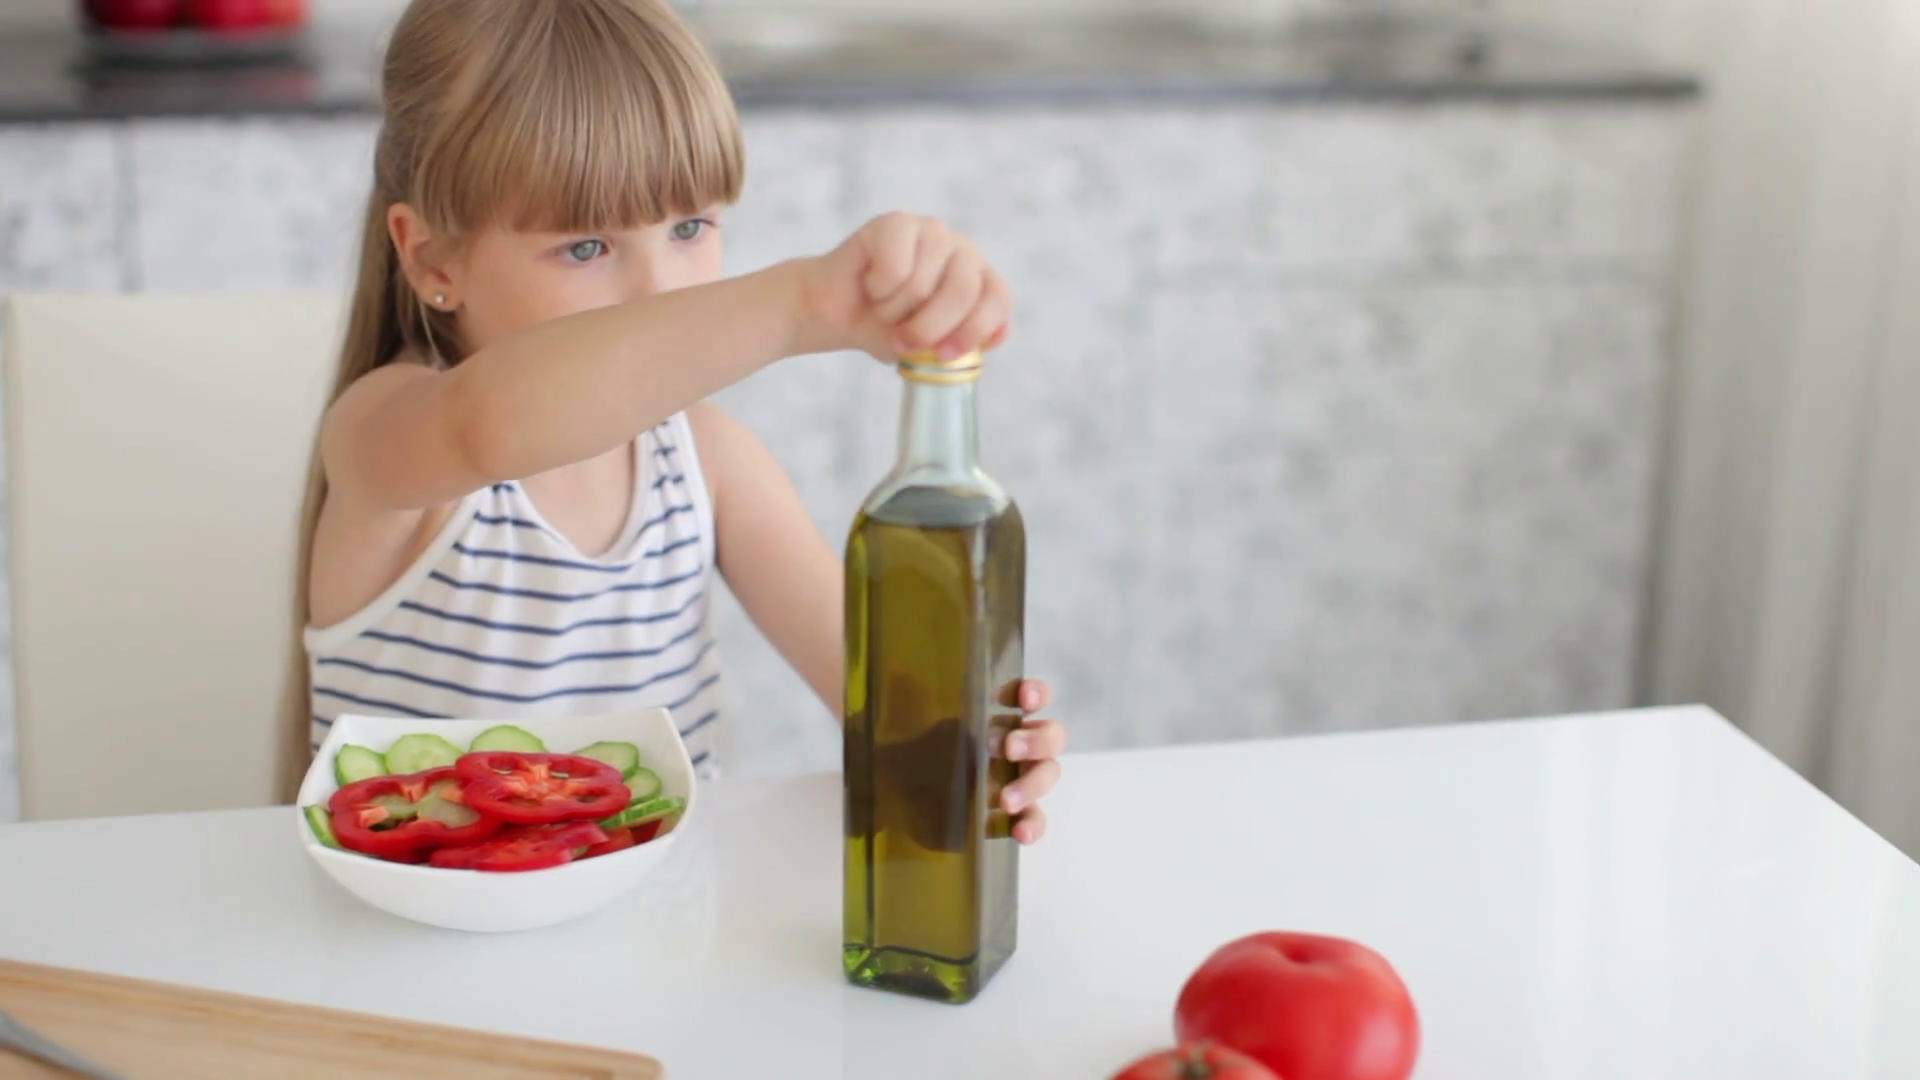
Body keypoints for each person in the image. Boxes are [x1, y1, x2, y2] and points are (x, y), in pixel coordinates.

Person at [296, 0, 1064, 842]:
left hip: (663, 938)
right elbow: (489, 424)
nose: (664, 295)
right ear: (434, 260)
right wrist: (802, 305)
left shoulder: (707, 461)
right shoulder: (384, 434)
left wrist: (978, 744)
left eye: (691, 227)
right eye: (586, 248)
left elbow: (885, 699)